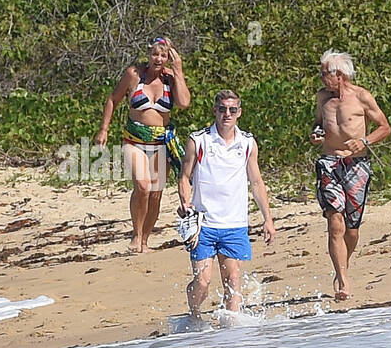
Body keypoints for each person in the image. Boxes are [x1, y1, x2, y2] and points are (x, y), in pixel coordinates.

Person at [177, 90, 277, 322]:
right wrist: (185, 201)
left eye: (232, 110)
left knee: (232, 280)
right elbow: (184, 177)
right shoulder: (198, 140)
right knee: (202, 281)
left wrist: (268, 219)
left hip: (235, 223)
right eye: (222, 109)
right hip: (204, 224)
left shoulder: (247, 142)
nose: (227, 114)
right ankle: (193, 317)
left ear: (239, 113)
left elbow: (256, 182)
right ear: (215, 111)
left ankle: (232, 333)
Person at [95, 37, 191, 253]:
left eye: (164, 55)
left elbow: (184, 103)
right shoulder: (134, 74)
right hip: (135, 140)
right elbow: (113, 99)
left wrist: (179, 71)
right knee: (143, 186)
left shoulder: (170, 78)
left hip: (161, 141)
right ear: (149, 54)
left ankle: (145, 241)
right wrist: (104, 129)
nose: (158, 59)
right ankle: (136, 236)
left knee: (156, 192)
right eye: (155, 54)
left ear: (169, 58)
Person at [310, 50, 391, 300]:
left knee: (352, 229)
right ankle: (343, 279)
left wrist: (365, 141)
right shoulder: (322, 98)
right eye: (322, 73)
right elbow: (316, 123)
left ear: (341, 75)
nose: (323, 78)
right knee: (335, 221)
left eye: (326, 73)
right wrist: (315, 134)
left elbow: (385, 127)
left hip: (356, 164)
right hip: (329, 163)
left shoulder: (361, 96)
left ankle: (343, 264)